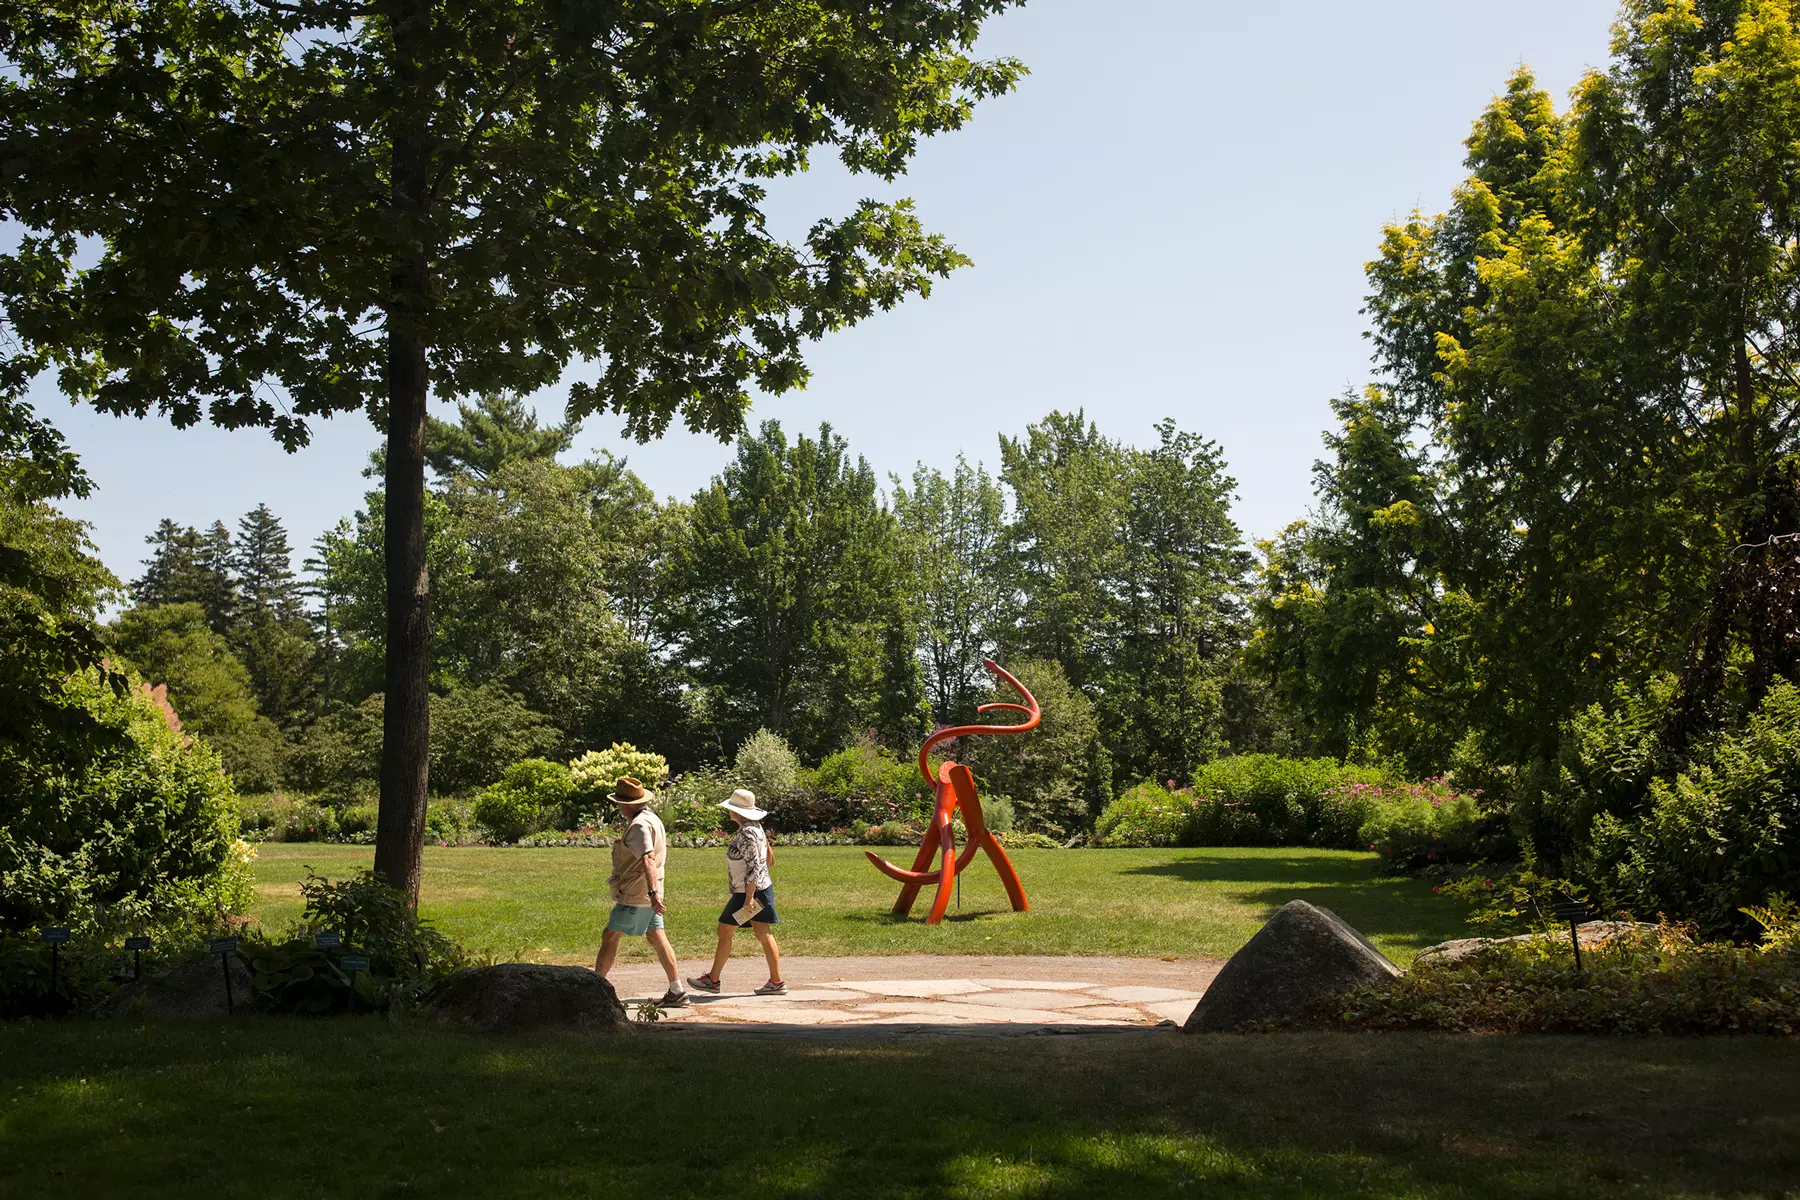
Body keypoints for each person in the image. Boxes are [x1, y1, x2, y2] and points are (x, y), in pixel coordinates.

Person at [595, 775, 687, 1007]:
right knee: (656, 936)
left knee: (611, 935)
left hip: (638, 894)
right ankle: (677, 991)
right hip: (648, 893)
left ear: (624, 804)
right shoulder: (651, 818)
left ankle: (595, 991)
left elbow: (648, 858)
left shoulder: (639, 825)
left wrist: (653, 894)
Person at [686, 789, 785, 996]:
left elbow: (753, 868)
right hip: (759, 890)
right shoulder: (756, 828)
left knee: (726, 930)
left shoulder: (746, 833)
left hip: (748, 893)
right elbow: (768, 861)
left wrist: (748, 898)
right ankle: (775, 982)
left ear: (736, 811)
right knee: (761, 933)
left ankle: (713, 980)